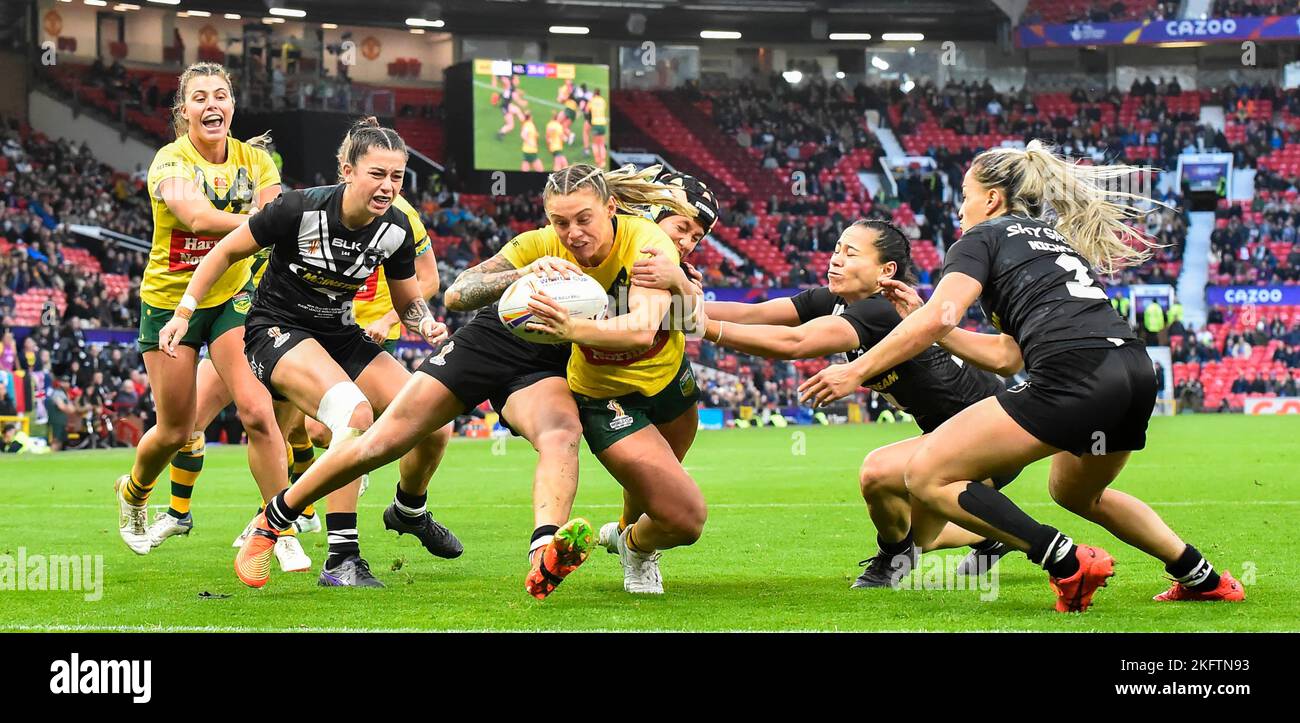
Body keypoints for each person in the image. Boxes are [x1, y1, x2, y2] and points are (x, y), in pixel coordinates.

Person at [800, 140, 1244, 611]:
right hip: (1132, 371)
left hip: (1072, 374)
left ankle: (1067, 560)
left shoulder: (980, 238)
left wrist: (859, 371)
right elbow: (1008, 357)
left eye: (965, 195)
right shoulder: (1049, 239)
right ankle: (1202, 577)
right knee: (1076, 492)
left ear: (991, 198)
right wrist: (926, 317)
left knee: (926, 475)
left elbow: (943, 317)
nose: (959, 209)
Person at [159, 120, 460, 589]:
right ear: (347, 171)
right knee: (353, 416)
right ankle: (341, 558)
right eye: (377, 174)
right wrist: (183, 311)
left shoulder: (397, 227)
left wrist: (423, 321)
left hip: (339, 333)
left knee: (435, 420)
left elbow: (407, 298)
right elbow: (224, 252)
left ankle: (409, 510)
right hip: (275, 329)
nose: (388, 186)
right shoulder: (296, 208)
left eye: (397, 177)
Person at [697, 220, 1017, 587]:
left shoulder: (881, 310)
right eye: (836, 250)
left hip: (990, 431)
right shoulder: (834, 301)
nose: (836, 260)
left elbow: (795, 343)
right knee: (922, 535)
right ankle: (990, 536)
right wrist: (682, 307)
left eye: (850, 254)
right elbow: (754, 313)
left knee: (878, 475)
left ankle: (895, 559)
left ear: (886, 271)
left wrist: (703, 327)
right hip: (950, 434)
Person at [114, 62, 296, 567]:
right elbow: (196, 217)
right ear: (184, 110)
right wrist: (265, 224)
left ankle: (277, 527)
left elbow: (276, 212)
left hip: (232, 302)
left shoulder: (256, 161)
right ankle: (133, 490)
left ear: (233, 106)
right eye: (200, 97)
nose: (211, 104)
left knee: (258, 413)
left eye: (220, 95)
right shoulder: (169, 162)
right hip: (171, 303)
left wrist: (273, 223)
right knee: (175, 430)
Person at [588, 88, 608, 168]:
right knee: (602, 144)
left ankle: (597, 160)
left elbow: (587, 109)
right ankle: (603, 161)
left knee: (595, 144)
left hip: (595, 123)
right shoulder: (603, 100)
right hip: (602, 123)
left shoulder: (592, 100)